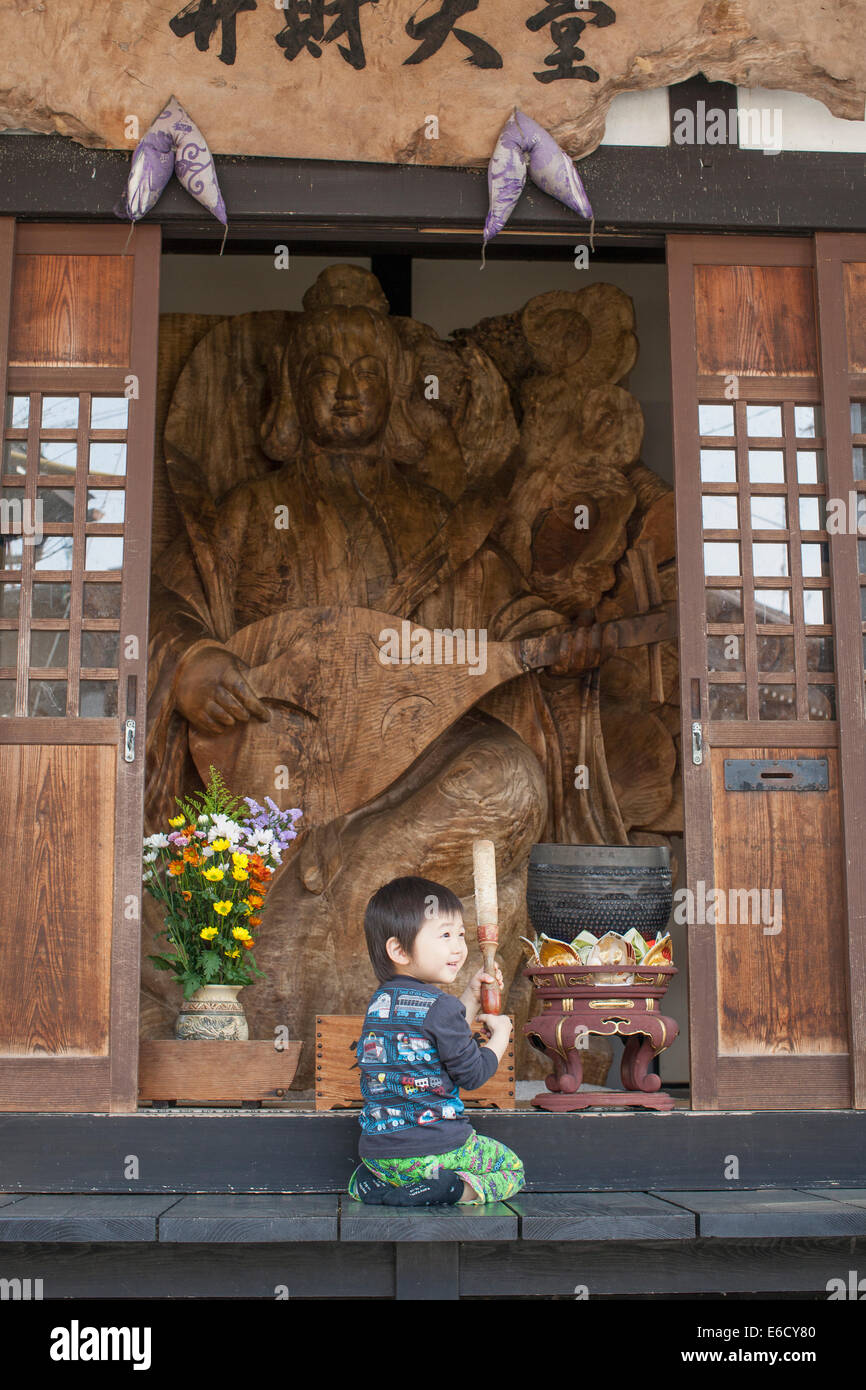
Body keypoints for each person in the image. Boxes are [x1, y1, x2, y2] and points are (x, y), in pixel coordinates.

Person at [347, 875, 525, 1206]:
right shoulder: (439, 1008)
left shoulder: (381, 1002)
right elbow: (472, 1075)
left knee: (382, 1170)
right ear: (398, 949)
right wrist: (501, 1037)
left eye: (460, 934)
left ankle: (368, 1183)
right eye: (445, 935)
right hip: (439, 1151)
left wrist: (471, 996)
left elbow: (434, 1032)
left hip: (377, 1153)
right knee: (512, 1168)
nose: (458, 946)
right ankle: (453, 1188)